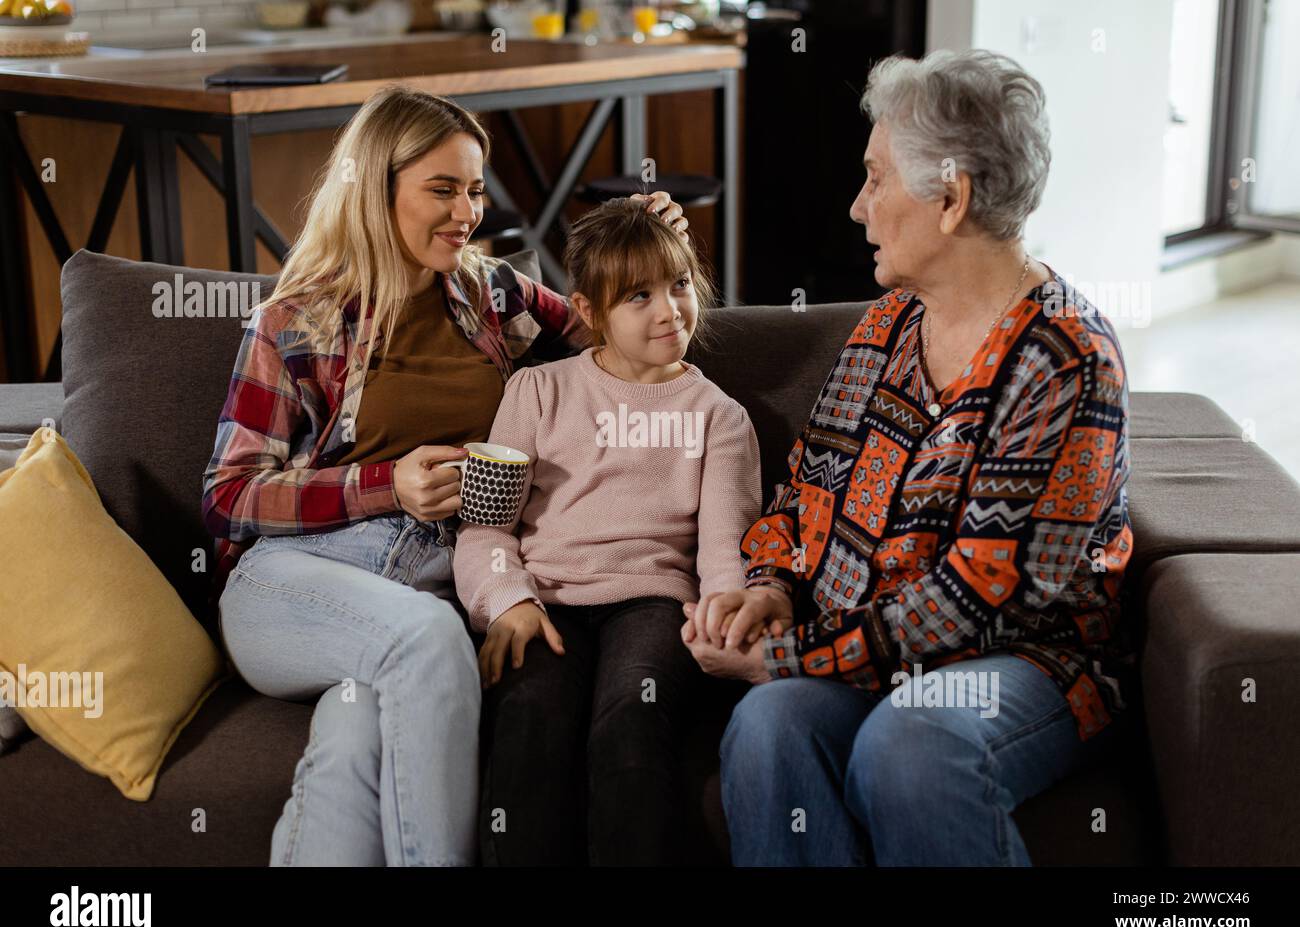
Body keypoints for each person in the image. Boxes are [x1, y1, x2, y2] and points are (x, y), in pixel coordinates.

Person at [201, 84, 690, 866]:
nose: (466, 212)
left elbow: (618, 331)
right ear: (374, 187)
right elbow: (228, 497)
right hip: (297, 582)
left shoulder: (488, 292)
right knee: (431, 644)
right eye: (441, 189)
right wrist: (385, 485)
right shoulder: (296, 319)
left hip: (429, 578)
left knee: (353, 738)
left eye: (472, 189)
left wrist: (652, 251)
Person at [683, 49, 1138, 866]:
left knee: (911, 742)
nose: (859, 208)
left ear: (951, 197)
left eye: (876, 179)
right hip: (873, 657)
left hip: (1022, 664)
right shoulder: (886, 326)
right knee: (767, 724)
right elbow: (805, 494)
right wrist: (773, 588)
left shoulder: (1064, 357)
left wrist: (787, 656)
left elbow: (978, 600)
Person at [453, 198, 762, 865]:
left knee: (631, 714)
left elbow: (723, 552)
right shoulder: (535, 392)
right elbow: (484, 529)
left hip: (652, 603)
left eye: (678, 285)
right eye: (638, 296)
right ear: (588, 310)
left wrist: (725, 612)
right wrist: (508, 601)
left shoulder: (721, 417)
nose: (668, 310)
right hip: (544, 599)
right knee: (532, 715)